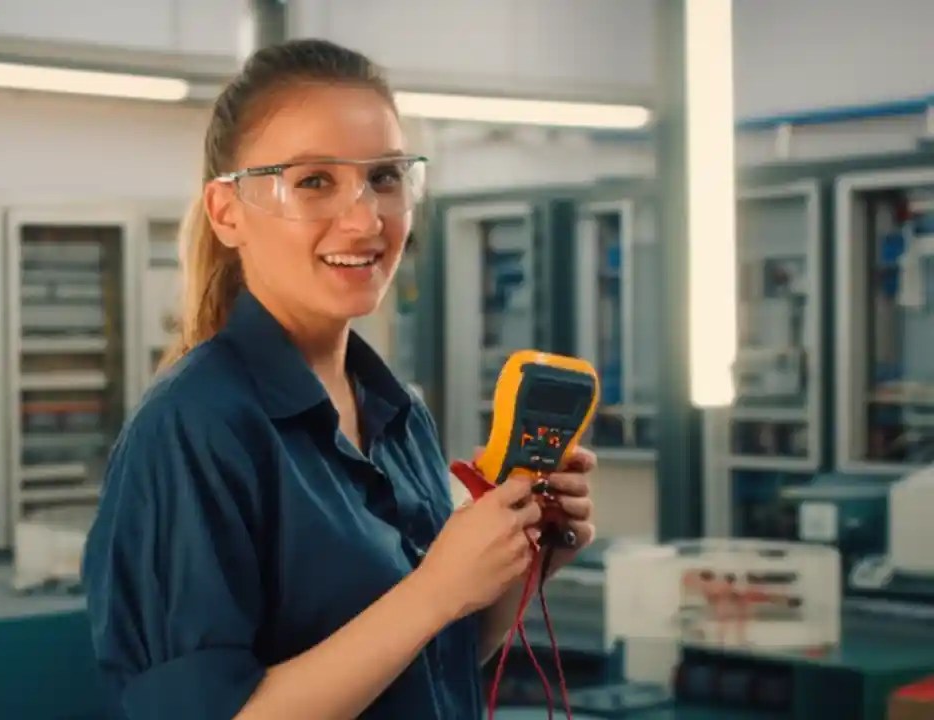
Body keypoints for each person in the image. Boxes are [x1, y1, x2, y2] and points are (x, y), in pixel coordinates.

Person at [82, 38, 598, 720]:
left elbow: (424, 663)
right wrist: (436, 590)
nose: (364, 219)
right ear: (227, 211)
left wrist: (516, 566)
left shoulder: (396, 413)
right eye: (314, 182)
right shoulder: (194, 430)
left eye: (385, 177)